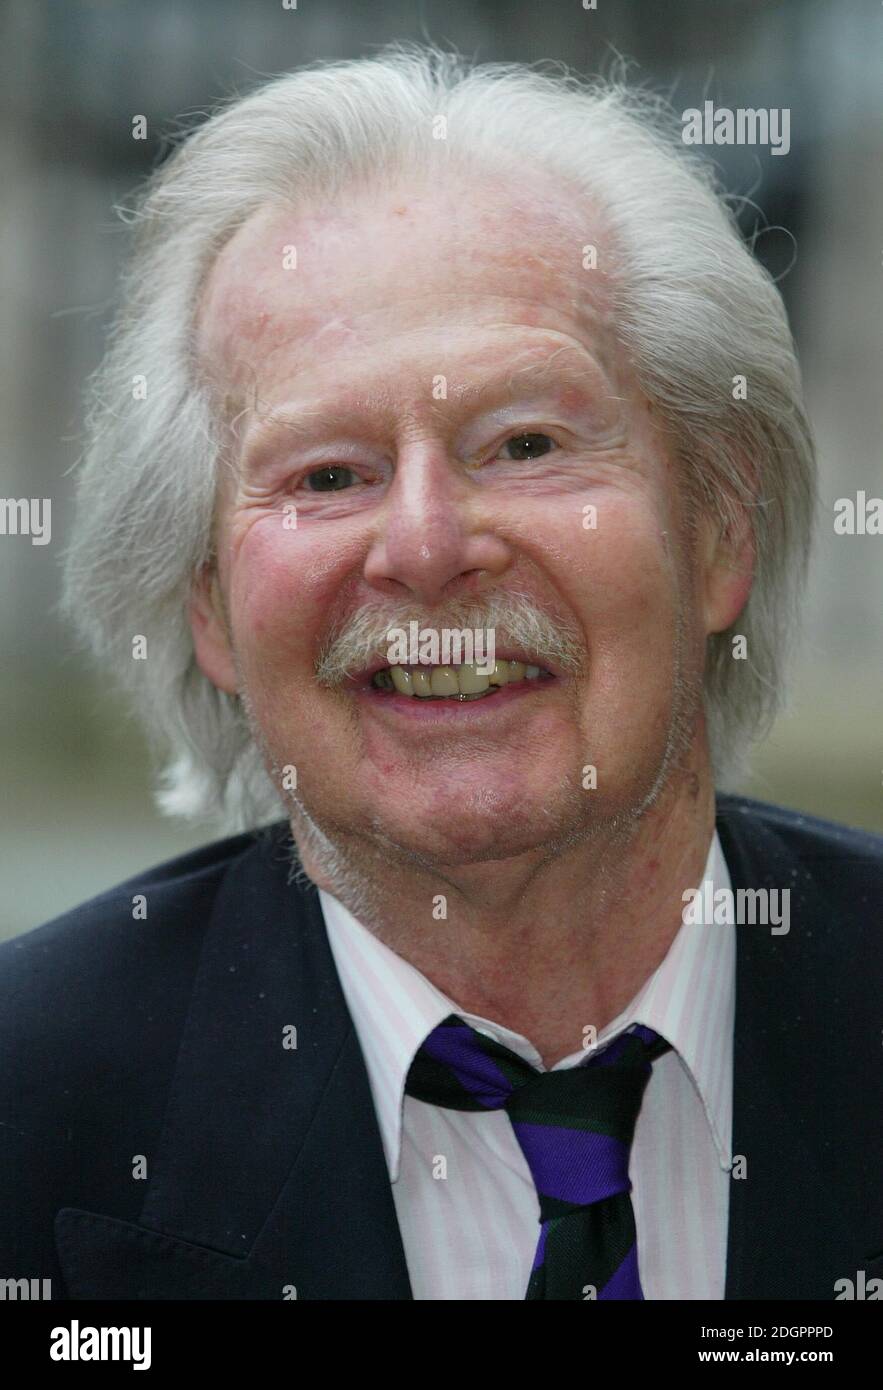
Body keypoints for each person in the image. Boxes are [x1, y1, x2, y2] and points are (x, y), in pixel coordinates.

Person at [2, 43, 881, 1301]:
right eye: (327, 475)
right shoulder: (28, 1114)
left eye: (523, 442)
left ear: (719, 531)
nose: (422, 547)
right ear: (208, 606)